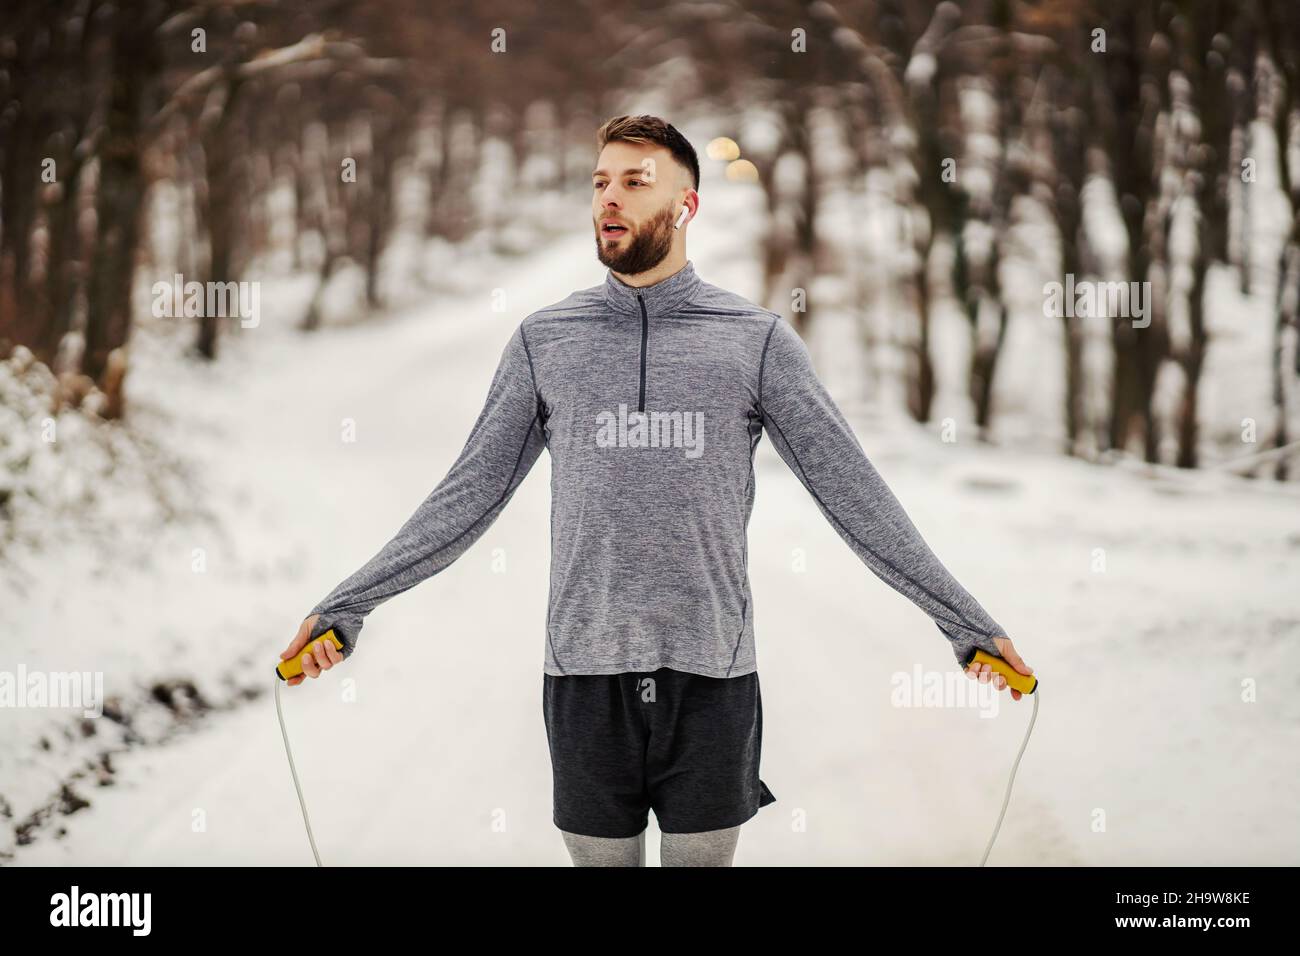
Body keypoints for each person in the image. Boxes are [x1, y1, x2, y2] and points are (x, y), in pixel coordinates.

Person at [280, 114, 1032, 867]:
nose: (610, 199)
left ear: (687, 205)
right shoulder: (546, 342)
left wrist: (964, 623)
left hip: (712, 677)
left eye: (636, 183)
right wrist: (346, 605)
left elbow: (854, 495)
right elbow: (466, 495)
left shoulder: (756, 341)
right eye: (601, 182)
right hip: (583, 679)